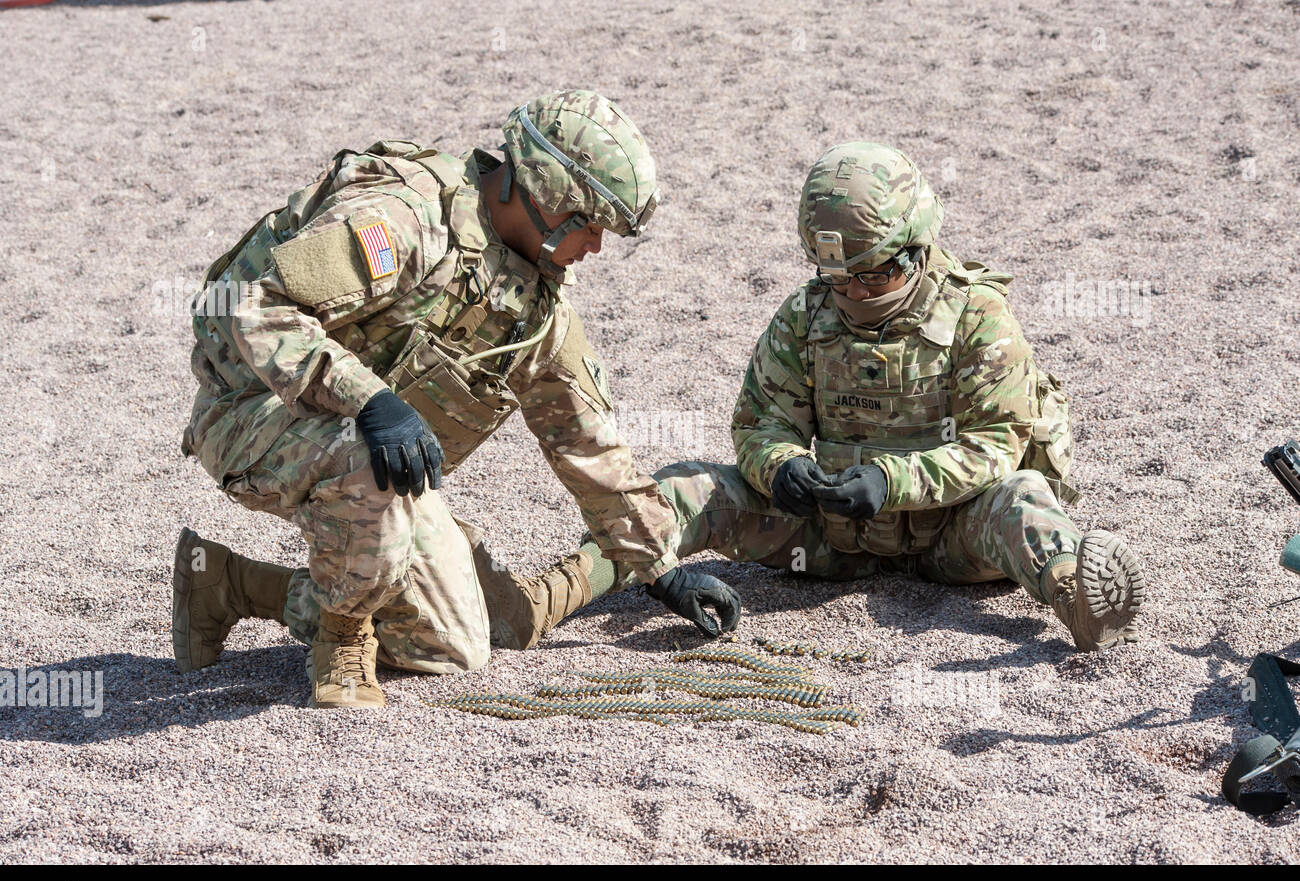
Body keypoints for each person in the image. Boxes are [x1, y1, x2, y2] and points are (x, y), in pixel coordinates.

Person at [172, 90, 740, 709]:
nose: (597, 248)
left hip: (373, 466)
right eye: (593, 226)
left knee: (454, 647)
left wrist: (663, 570)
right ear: (554, 200)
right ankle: (342, 638)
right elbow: (258, 304)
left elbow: (588, 445)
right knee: (366, 450)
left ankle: (230, 585)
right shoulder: (407, 216)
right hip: (255, 417)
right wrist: (369, 400)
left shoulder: (537, 311)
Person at [491, 142, 1146, 654]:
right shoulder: (806, 317)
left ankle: (1081, 602)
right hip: (829, 536)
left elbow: (996, 446)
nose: (855, 294)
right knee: (686, 489)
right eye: (838, 279)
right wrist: (782, 467)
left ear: (916, 249)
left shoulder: (978, 317)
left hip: (955, 534)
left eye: (874, 276)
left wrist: (891, 481)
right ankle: (541, 602)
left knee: (1025, 501)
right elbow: (757, 422)